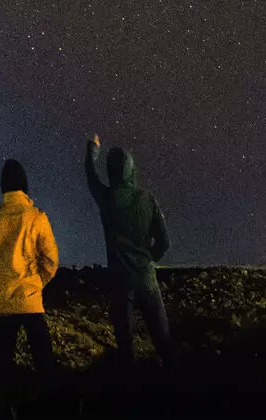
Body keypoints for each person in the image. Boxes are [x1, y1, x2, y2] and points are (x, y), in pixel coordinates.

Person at [85, 135, 176, 369]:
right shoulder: (147, 199)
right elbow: (164, 242)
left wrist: (93, 150)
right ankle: (178, 393)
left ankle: (130, 397)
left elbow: (91, 177)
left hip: (120, 284)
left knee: (126, 351)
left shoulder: (107, 199)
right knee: (165, 344)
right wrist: (147, 260)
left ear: (111, 171)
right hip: (147, 280)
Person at [0, 158, 60, 384]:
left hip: (4, 302)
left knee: (2, 366)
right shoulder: (37, 217)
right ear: (24, 185)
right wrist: (37, 283)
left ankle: (4, 406)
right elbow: (51, 260)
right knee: (44, 363)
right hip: (31, 300)